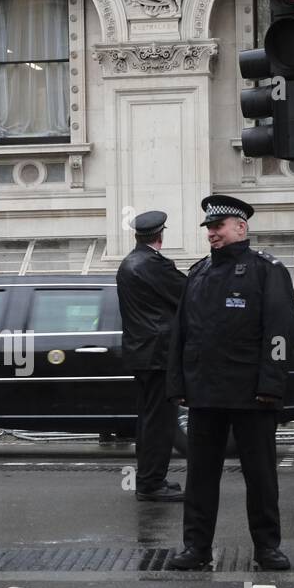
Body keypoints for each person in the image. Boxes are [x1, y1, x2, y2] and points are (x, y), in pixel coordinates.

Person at [166, 194, 294, 571]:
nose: (211, 234)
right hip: (205, 393)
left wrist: (271, 385)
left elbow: (279, 332)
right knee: (200, 477)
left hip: (251, 394)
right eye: (208, 227)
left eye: (218, 227)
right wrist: (178, 385)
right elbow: (181, 334)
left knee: (261, 477)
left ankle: (268, 547)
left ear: (241, 227)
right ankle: (196, 547)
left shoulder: (266, 270)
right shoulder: (198, 273)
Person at [116, 209, 187, 502]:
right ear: (160, 235)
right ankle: (150, 483)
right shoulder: (154, 265)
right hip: (159, 354)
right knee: (160, 422)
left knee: (148, 420)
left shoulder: (128, 264)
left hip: (141, 353)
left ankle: (150, 478)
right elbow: (186, 294)